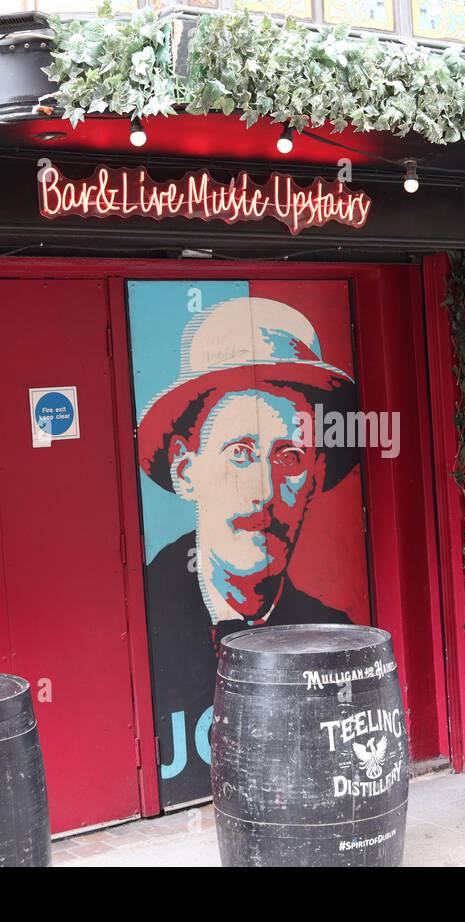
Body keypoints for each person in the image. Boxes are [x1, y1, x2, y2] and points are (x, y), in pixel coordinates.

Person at [135, 296, 359, 801]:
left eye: (290, 457)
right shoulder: (139, 615)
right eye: (240, 454)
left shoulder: (335, 634)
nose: (262, 490)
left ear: (316, 477)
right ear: (185, 469)